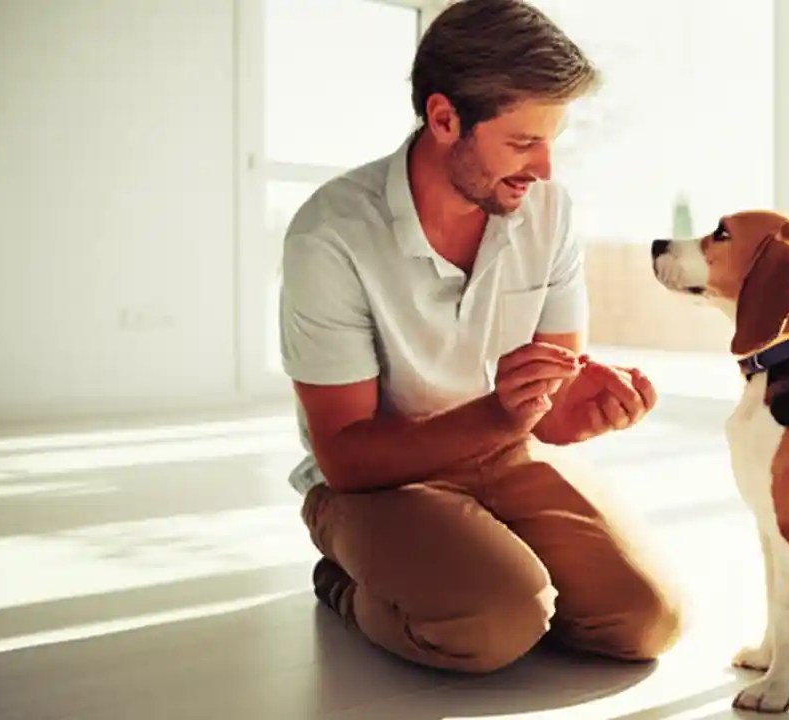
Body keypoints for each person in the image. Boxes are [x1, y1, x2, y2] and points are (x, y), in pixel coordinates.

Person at [278, 0, 683, 674]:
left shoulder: (547, 214)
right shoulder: (331, 236)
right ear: (444, 119)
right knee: (495, 625)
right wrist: (502, 412)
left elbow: (545, 415)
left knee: (647, 622)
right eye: (523, 143)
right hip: (376, 485)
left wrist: (586, 407)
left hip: (502, 454)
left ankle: (490, 583)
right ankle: (348, 585)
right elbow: (347, 458)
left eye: (553, 142)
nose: (545, 169)